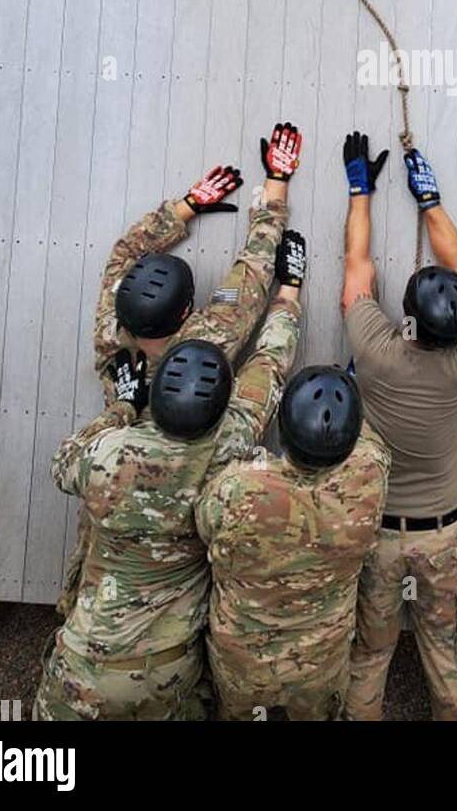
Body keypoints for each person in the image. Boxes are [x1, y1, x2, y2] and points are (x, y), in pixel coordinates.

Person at [34, 212, 307, 721]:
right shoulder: (232, 442)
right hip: (169, 669)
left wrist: (121, 408)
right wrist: (289, 290)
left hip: (82, 670)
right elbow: (270, 360)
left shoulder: (108, 458)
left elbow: (61, 462)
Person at [54, 123, 301, 617]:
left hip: (117, 497)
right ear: (188, 311)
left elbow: (125, 255)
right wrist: (276, 182)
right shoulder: (209, 338)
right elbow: (254, 270)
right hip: (183, 497)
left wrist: (187, 205)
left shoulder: (111, 335)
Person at [196, 235, 391, 720]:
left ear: (279, 429)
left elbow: (203, 524)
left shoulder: (238, 489)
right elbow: (368, 445)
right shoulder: (368, 481)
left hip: (241, 660)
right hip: (320, 661)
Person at [338, 133, 457, 721]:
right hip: (443, 539)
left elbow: (357, 269)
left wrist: (360, 190)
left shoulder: (376, 349)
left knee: (368, 659)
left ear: (408, 318)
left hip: (376, 536)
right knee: (455, 670)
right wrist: (430, 200)